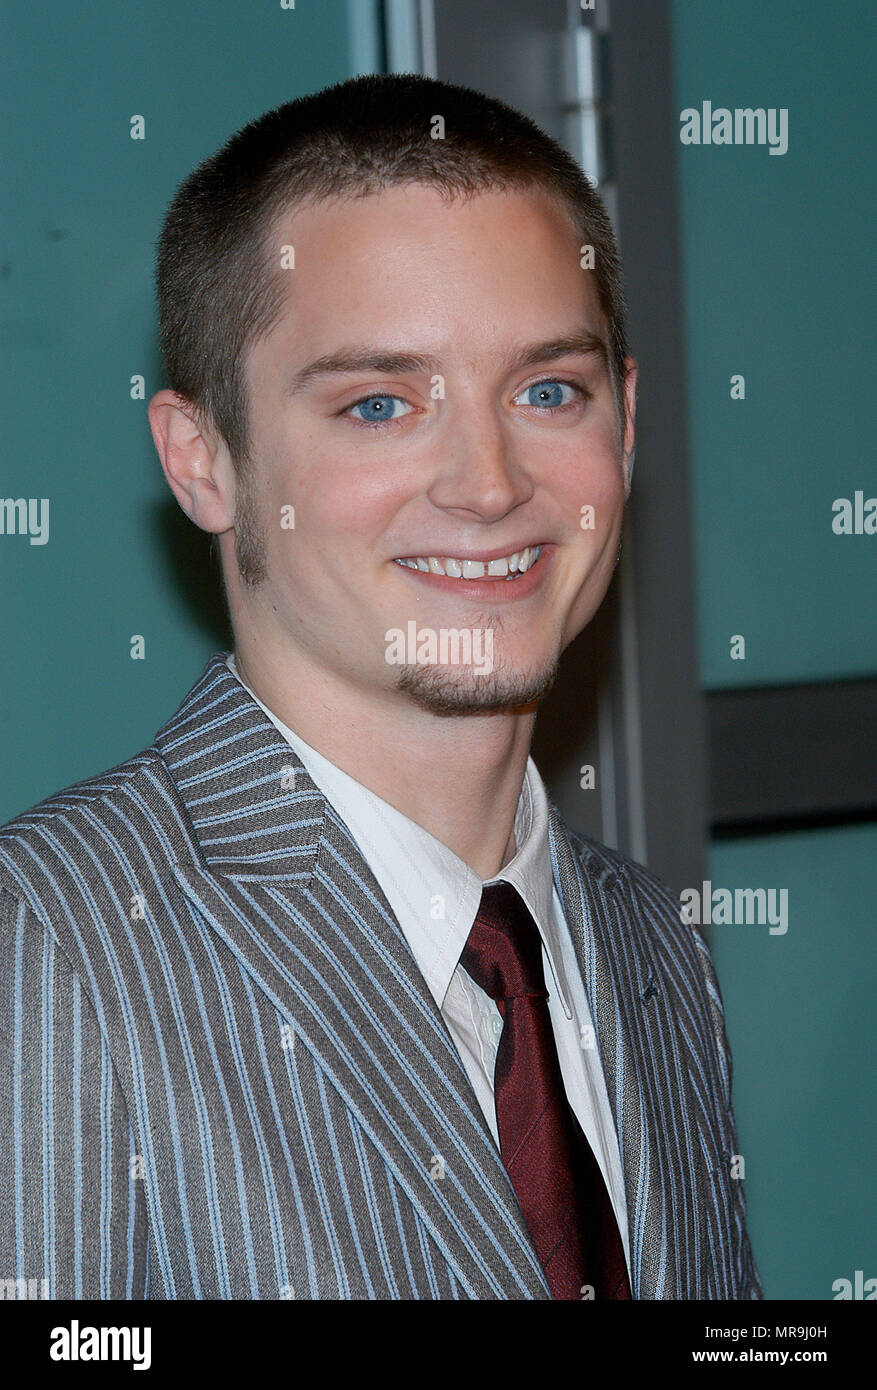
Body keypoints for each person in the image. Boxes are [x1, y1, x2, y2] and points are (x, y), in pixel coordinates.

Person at [0, 73, 761, 1300]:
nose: (487, 481)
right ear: (203, 461)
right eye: (379, 404)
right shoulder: (49, 948)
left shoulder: (649, 945)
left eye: (547, 390)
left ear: (624, 422)